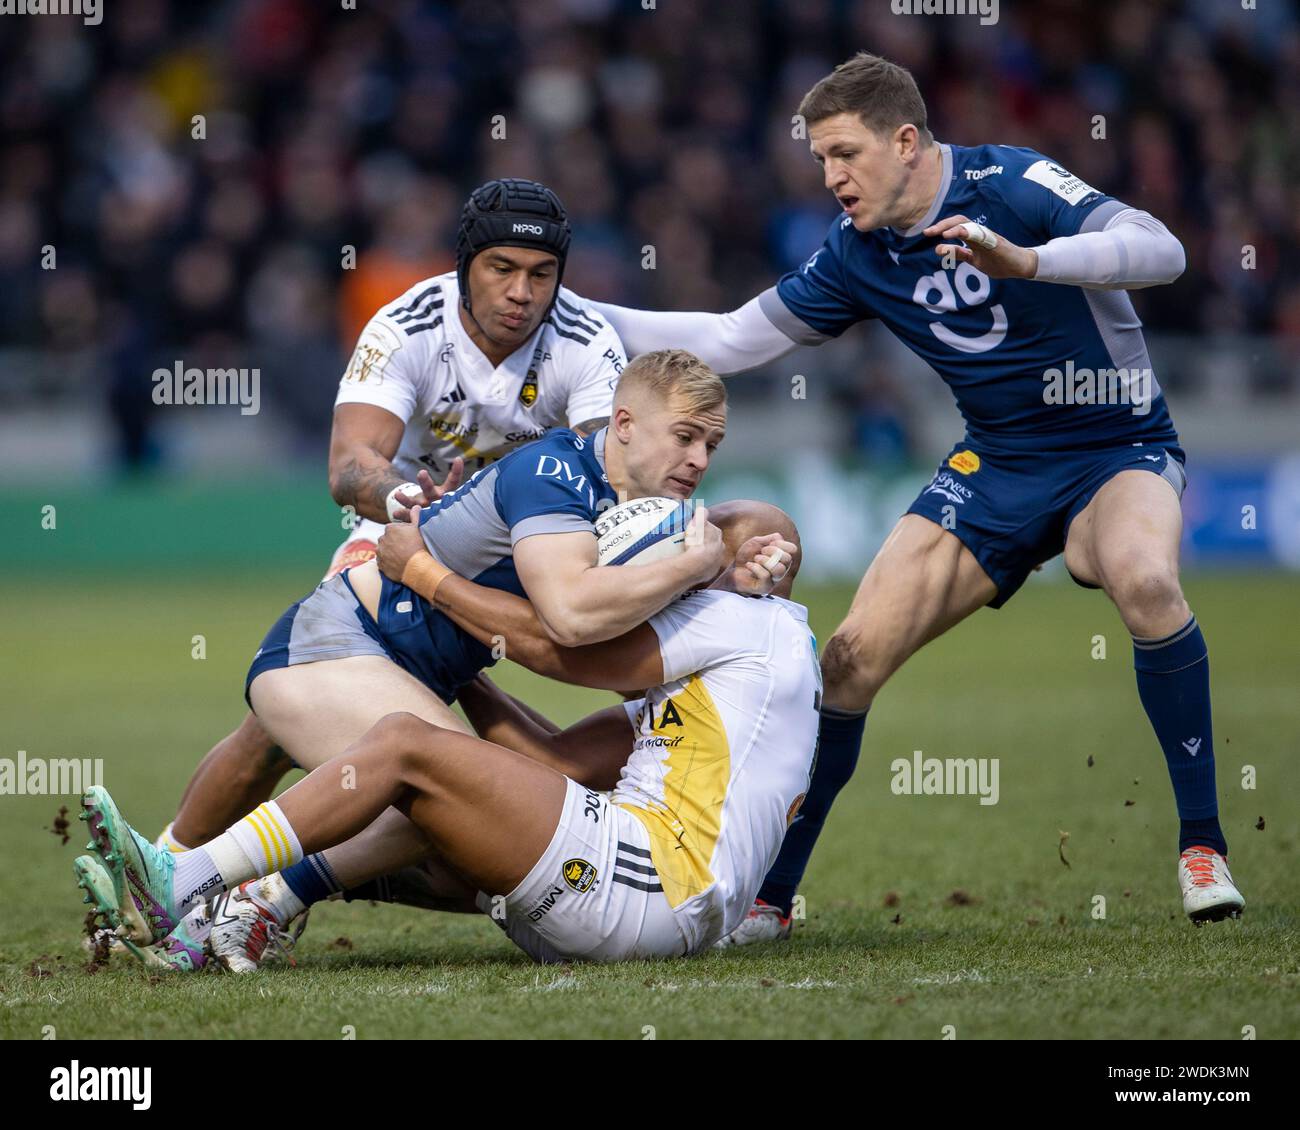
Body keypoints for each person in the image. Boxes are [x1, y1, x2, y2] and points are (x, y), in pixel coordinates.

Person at [591, 52, 1242, 938]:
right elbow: (734, 337)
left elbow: (1162, 250)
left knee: (1145, 579)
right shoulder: (855, 254)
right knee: (850, 658)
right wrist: (576, 314)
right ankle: (774, 897)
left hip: (1114, 448)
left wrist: (1027, 261)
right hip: (997, 465)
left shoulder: (1010, 183)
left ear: (905, 142)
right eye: (820, 159)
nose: (831, 177)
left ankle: (1203, 848)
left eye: (845, 154)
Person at [74, 514, 816, 965]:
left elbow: (559, 642)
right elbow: (551, 761)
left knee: (406, 745)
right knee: (436, 800)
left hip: (644, 889)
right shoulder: (721, 696)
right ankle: (245, 908)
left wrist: (424, 580)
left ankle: (182, 879)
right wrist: (452, 672)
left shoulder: (742, 623)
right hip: (637, 897)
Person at [164, 178, 628, 854]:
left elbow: (610, 478)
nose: (521, 293)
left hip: (528, 547)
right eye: (501, 268)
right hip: (402, 528)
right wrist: (406, 499)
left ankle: (247, 887)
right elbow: (350, 466)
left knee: (440, 780)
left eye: (541, 274)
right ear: (464, 266)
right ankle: (172, 865)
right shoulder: (406, 325)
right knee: (277, 725)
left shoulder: (586, 341)